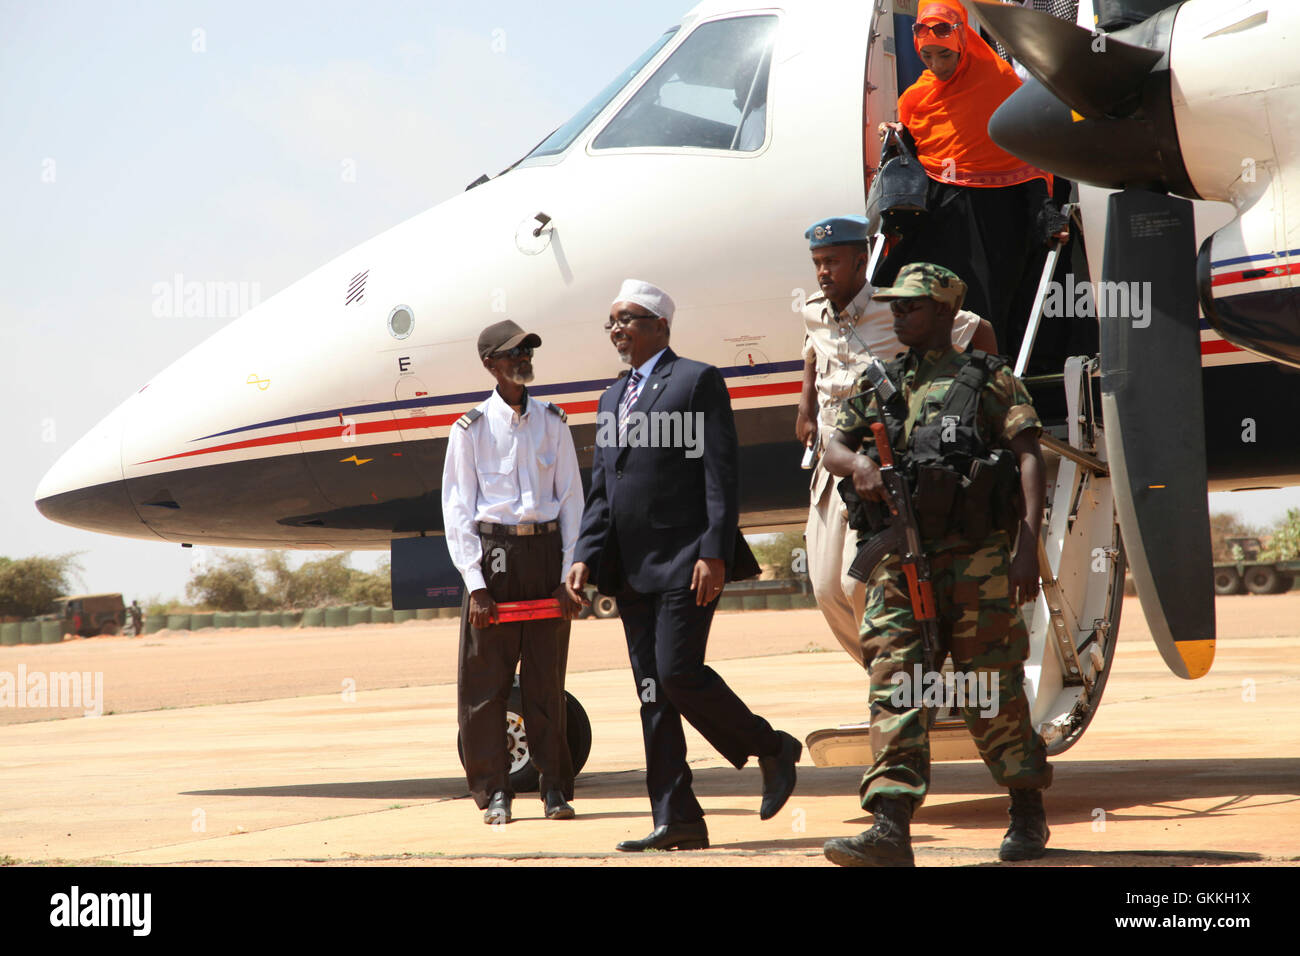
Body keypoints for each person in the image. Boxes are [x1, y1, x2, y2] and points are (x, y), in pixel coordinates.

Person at [819, 263, 1053, 866]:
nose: (897, 316)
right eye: (894, 307)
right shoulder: (881, 382)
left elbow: (1029, 457)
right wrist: (859, 466)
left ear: (946, 312)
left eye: (911, 307)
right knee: (896, 682)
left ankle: (1026, 809)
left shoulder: (989, 378)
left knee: (989, 687)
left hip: (977, 560)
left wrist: (1028, 544)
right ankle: (891, 826)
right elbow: (832, 443)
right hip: (900, 559)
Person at [566, 279, 801, 851]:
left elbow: (719, 473)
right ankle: (678, 819)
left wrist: (714, 551)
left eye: (628, 319)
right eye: (612, 322)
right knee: (653, 693)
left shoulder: (696, 380)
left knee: (676, 673)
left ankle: (770, 747)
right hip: (628, 566)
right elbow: (603, 489)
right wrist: (582, 555)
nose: (617, 330)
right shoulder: (609, 397)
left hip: (684, 558)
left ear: (660, 327)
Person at [797, 215, 995, 666]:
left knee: (858, 584)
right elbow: (811, 348)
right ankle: (883, 675)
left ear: (861, 261)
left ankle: (906, 676)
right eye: (817, 263)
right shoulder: (813, 309)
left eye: (832, 262)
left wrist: (981, 396)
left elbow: (975, 330)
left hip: (881, 462)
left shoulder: (897, 309)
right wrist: (804, 405)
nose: (823, 272)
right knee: (827, 590)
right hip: (832, 461)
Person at [441, 319, 583, 825]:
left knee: (547, 683)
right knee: (486, 688)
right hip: (494, 561)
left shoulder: (554, 421)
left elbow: (571, 502)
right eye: (512, 353)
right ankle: (493, 791)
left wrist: (570, 575)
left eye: (526, 350)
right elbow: (458, 509)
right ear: (490, 365)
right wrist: (475, 585)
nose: (523, 358)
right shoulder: (471, 429)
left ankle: (554, 789)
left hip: (544, 557)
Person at [874, 0, 1070, 356]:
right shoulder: (917, 97)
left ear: (963, 40)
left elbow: (1028, 155)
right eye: (928, 55)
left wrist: (1045, 213)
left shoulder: (1000, 85)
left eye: (944, 55)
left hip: (994, 225)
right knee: (926, 310)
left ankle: (990, 395)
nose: (936, 65)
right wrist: (899, 136)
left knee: (983, 316)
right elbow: (918, 149)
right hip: (937, 223)